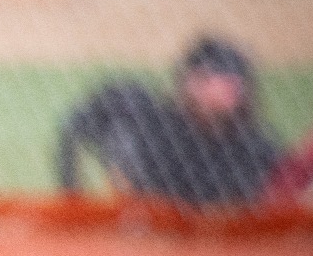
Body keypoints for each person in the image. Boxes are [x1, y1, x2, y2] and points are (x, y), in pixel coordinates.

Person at [56, 37, 286, 208]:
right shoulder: (152, 122)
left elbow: (280, 183)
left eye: (236, 83)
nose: (233, 90)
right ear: (192, 82)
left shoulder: (253, 142)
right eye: (221, 81)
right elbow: (72, 128)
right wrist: (72, 196)